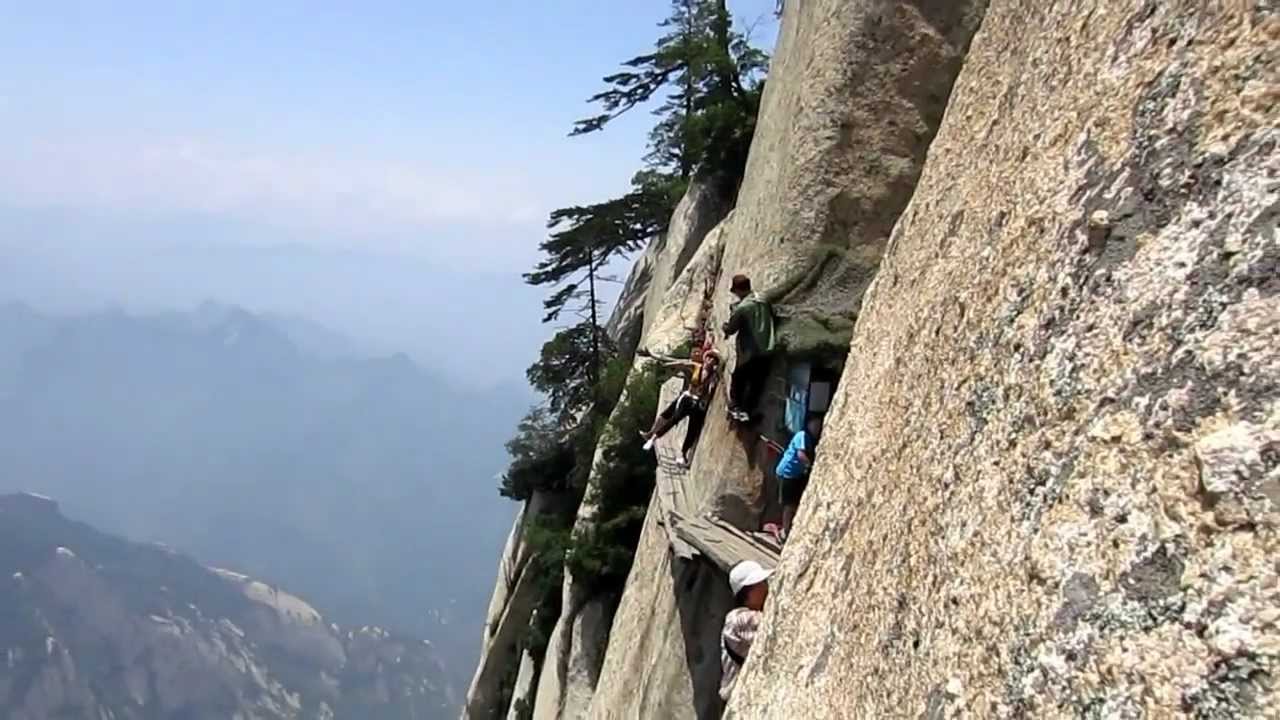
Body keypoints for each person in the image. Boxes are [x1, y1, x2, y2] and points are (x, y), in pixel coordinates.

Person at [640, 349, 722, 467]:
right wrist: (667, 365)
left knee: (692, 431)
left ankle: (682, 454)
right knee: (675, 418)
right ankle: (653, 438)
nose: (710, 361)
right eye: (709, 358)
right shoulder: (697, 366)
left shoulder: (713, 376)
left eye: (714, 360)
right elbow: (682, 363)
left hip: (698, 404)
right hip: (687, 399)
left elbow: (710, 392)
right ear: (706, 358)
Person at [722, 274, 775, 424]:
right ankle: (749, 412)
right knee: (757, 384)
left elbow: (731, 329)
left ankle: (736, 409)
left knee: (739, 380)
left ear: (738, 290)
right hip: (768, 348)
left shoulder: (742, 308)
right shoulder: (763, 299)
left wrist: (724, 327)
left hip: (750, 352)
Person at [720, 560, 772, 702]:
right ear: (748, 592)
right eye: (760, 584)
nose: (766, 587)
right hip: (740, 699)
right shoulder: (739, 620)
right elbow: (776, 627)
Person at [774, 415, 821, 542]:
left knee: (791, 504)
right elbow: (800, 454)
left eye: (818, 426)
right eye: (814, 425)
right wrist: (810, 464)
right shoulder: (802, 435)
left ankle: (786, 528)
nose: (816, 428)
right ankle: (785, 531)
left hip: (795, 475)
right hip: (787, 473)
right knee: (789, 504)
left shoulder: (811, 440)